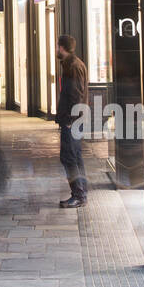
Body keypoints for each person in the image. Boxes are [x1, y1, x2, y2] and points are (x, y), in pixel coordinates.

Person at [55, 35, 88, 208]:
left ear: (62, 48)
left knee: (69, 157)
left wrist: (69, 120)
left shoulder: (73, 67)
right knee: (75, 156)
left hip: (72, 120)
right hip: (74, 119)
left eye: (57, 46)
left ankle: (79, 194)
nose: (56, 50)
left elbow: (76, 94)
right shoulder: (73, 65)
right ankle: (81, 191)